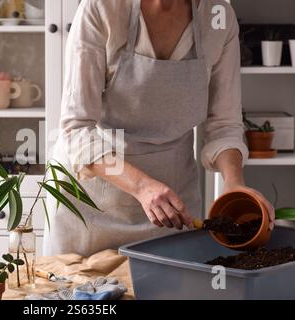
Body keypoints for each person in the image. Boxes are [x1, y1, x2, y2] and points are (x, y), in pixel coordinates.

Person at [43, 0, 275, 256]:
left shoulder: (219, 17)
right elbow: (76, 128)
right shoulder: (102, 8)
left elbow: (224, 123)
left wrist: (235, 186)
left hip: (172, 210)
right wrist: (141, 186)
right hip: (91, 207)